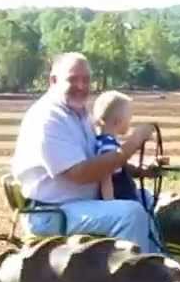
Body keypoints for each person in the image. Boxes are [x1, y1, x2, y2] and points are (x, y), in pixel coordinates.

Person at [9, 52, 164, 254]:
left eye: (86, 80)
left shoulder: (79, 114)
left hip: (76, 206)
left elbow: (97, 159)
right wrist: (133, 142)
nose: (81, 86)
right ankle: (138, 280)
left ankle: (161, 264)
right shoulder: (48, 119)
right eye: (73, 79)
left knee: (145, 198)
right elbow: (81, 173)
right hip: (53, 214)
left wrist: (137, 170)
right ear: (53, 81)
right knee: (131, 214)